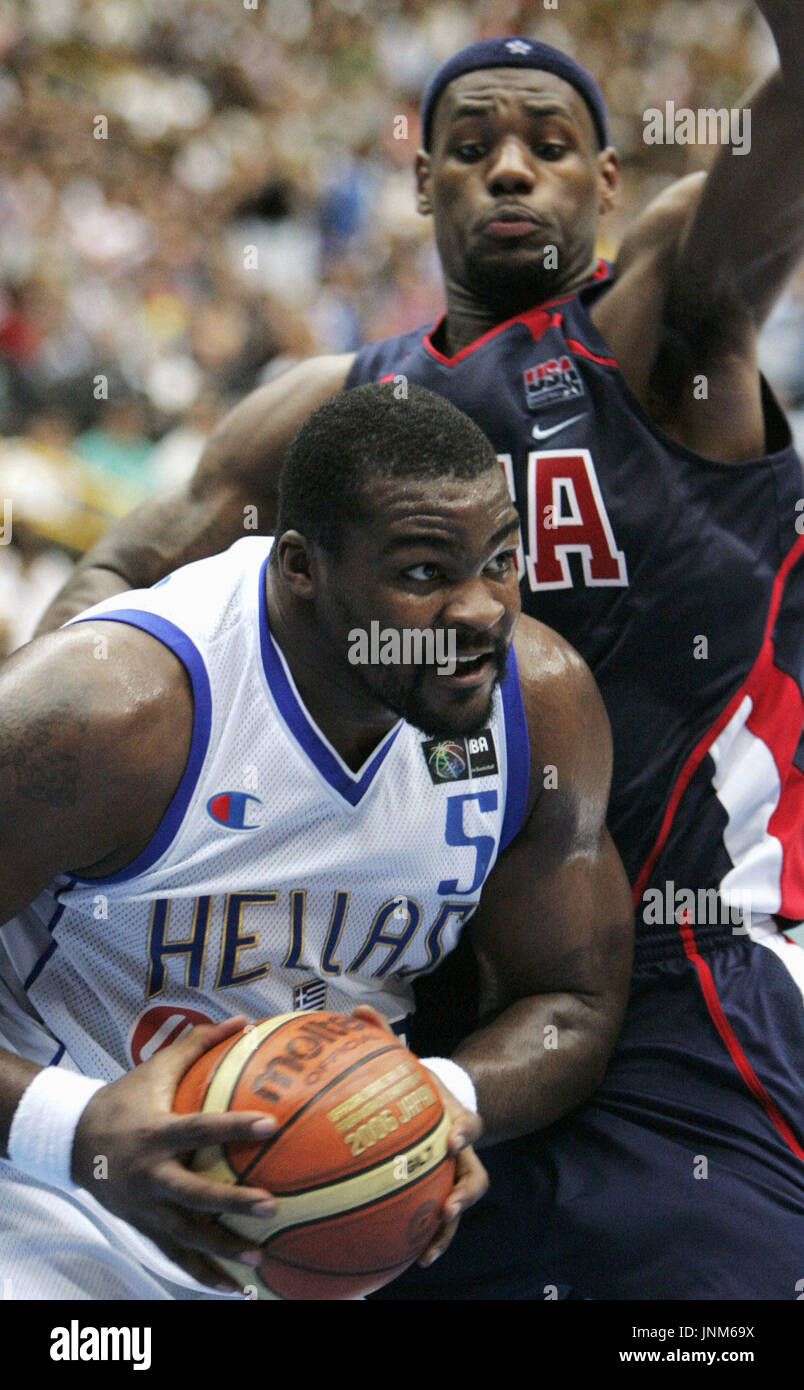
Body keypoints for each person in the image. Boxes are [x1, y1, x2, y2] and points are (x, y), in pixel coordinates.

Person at [33, 9, 804, 1298]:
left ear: (610, 184)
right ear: (419, 181)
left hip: (682, 969)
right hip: (413, 982)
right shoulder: (330, 409)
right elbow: (116, 580)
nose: (510, 167)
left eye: (550, 144)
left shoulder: (672, 329)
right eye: (471, 144)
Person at [0, 384, 633, 1300]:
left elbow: (572, 1000)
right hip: (45, 1190)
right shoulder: (111, 712)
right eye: (424, 575)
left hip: (320, 1228)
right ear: (302, 567)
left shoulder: (539, 706)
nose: (481, 611)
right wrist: (73, 1127)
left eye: (500, 562)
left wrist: (439, 1101)